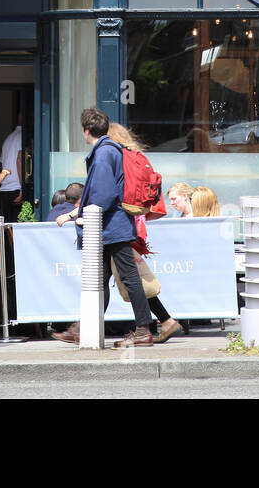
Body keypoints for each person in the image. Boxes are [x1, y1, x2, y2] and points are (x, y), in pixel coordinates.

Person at [51, 107, 153, 348]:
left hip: (111, 225)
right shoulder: (108, 150)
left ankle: (143, 330)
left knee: (129, 278)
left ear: (86, 131)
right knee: (100, 279)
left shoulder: (104, 153)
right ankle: (83, 328)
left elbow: (104, 194)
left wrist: (86, 214)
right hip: (110, 225)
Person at [106, 123, 180, 343]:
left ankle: (151, 326)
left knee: (131, 279)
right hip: (134, 220)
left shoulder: (116, 156)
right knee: (130, 277)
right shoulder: (135, 155)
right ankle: (165, 321)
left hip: (118, 223)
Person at [0, 118, 25, 222]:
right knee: (17, 228)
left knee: (7, 228)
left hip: (5, 188)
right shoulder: (21, 136)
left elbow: (2, 162)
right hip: (16, 188)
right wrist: (23, 188)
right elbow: (19, 160)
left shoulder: (8, 138)